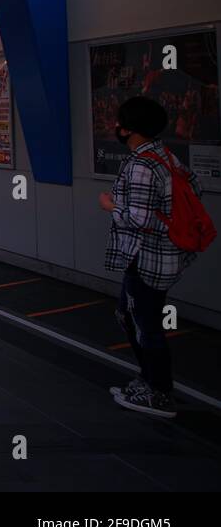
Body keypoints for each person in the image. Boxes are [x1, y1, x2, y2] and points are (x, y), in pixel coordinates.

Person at [101, 96, 202, 419]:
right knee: (129, 315)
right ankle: (148, 381)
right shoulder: (164, 155)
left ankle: (158, 391)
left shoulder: (142, 165)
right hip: (162, 255)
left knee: (145, 325)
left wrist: (111, 206)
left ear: (129, 129)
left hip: (147, 257)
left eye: (120, 122)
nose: (115, 126)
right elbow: (193, 189)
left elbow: (141, 219)